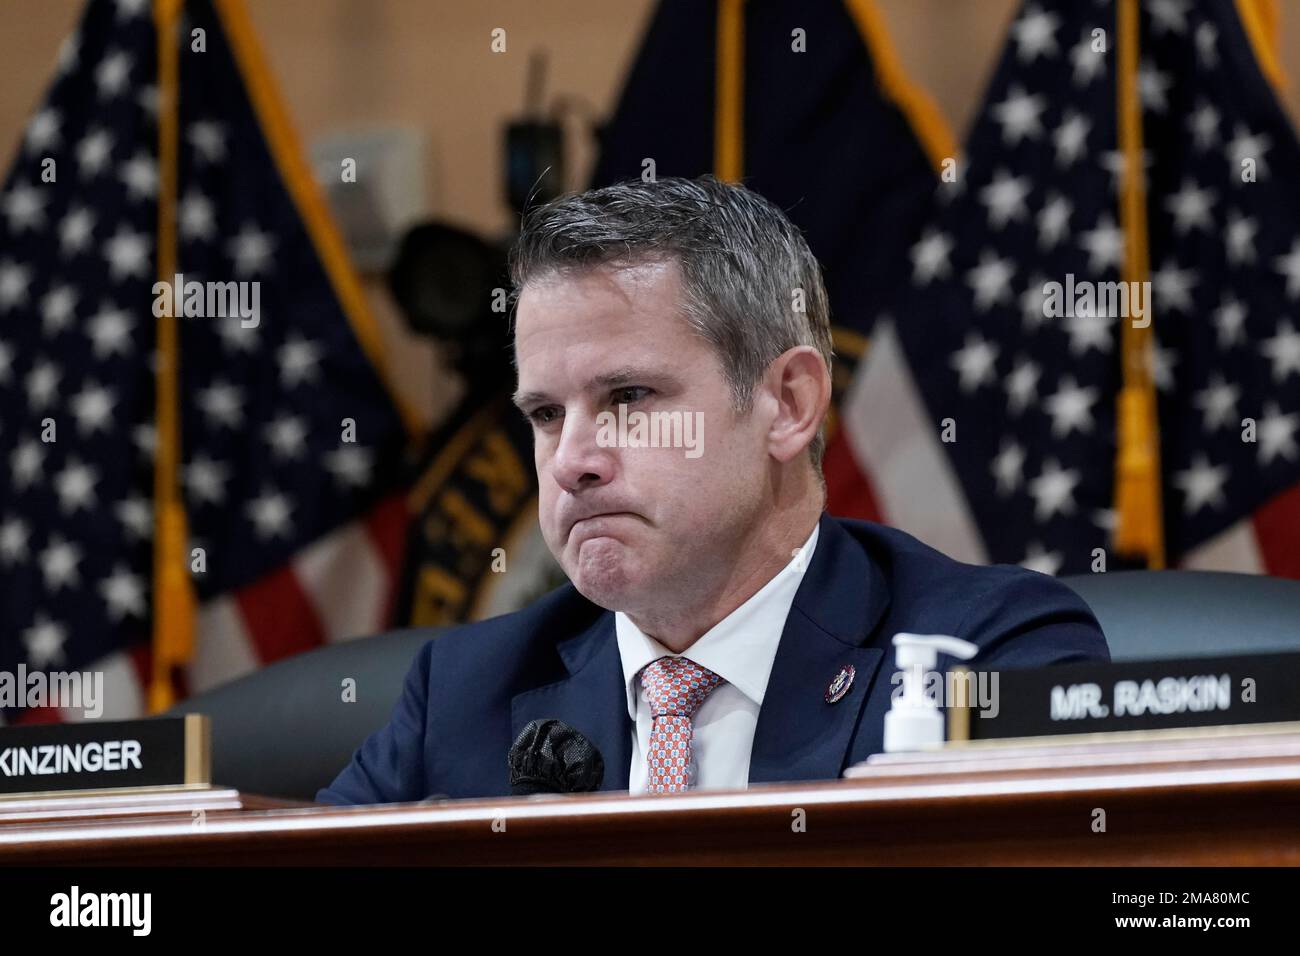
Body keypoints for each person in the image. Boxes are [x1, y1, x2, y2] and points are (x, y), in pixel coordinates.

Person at [317, 175, 1108, 804]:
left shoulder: (989, 659)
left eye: (629, 398)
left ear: (789, 405)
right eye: (548, 413)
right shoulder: (465, 694)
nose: (571, 462)